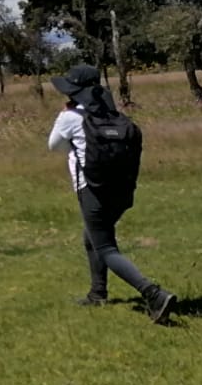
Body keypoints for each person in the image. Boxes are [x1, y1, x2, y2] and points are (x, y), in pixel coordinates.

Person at [48, 64, 176, 323]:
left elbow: (54, 145)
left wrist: (65, 118)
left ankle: (153, 294)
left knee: (106, 247)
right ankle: (97, 293)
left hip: (92, 190)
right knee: (92, 237)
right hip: (121, 191)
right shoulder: (114, 115)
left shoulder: (71, 117)